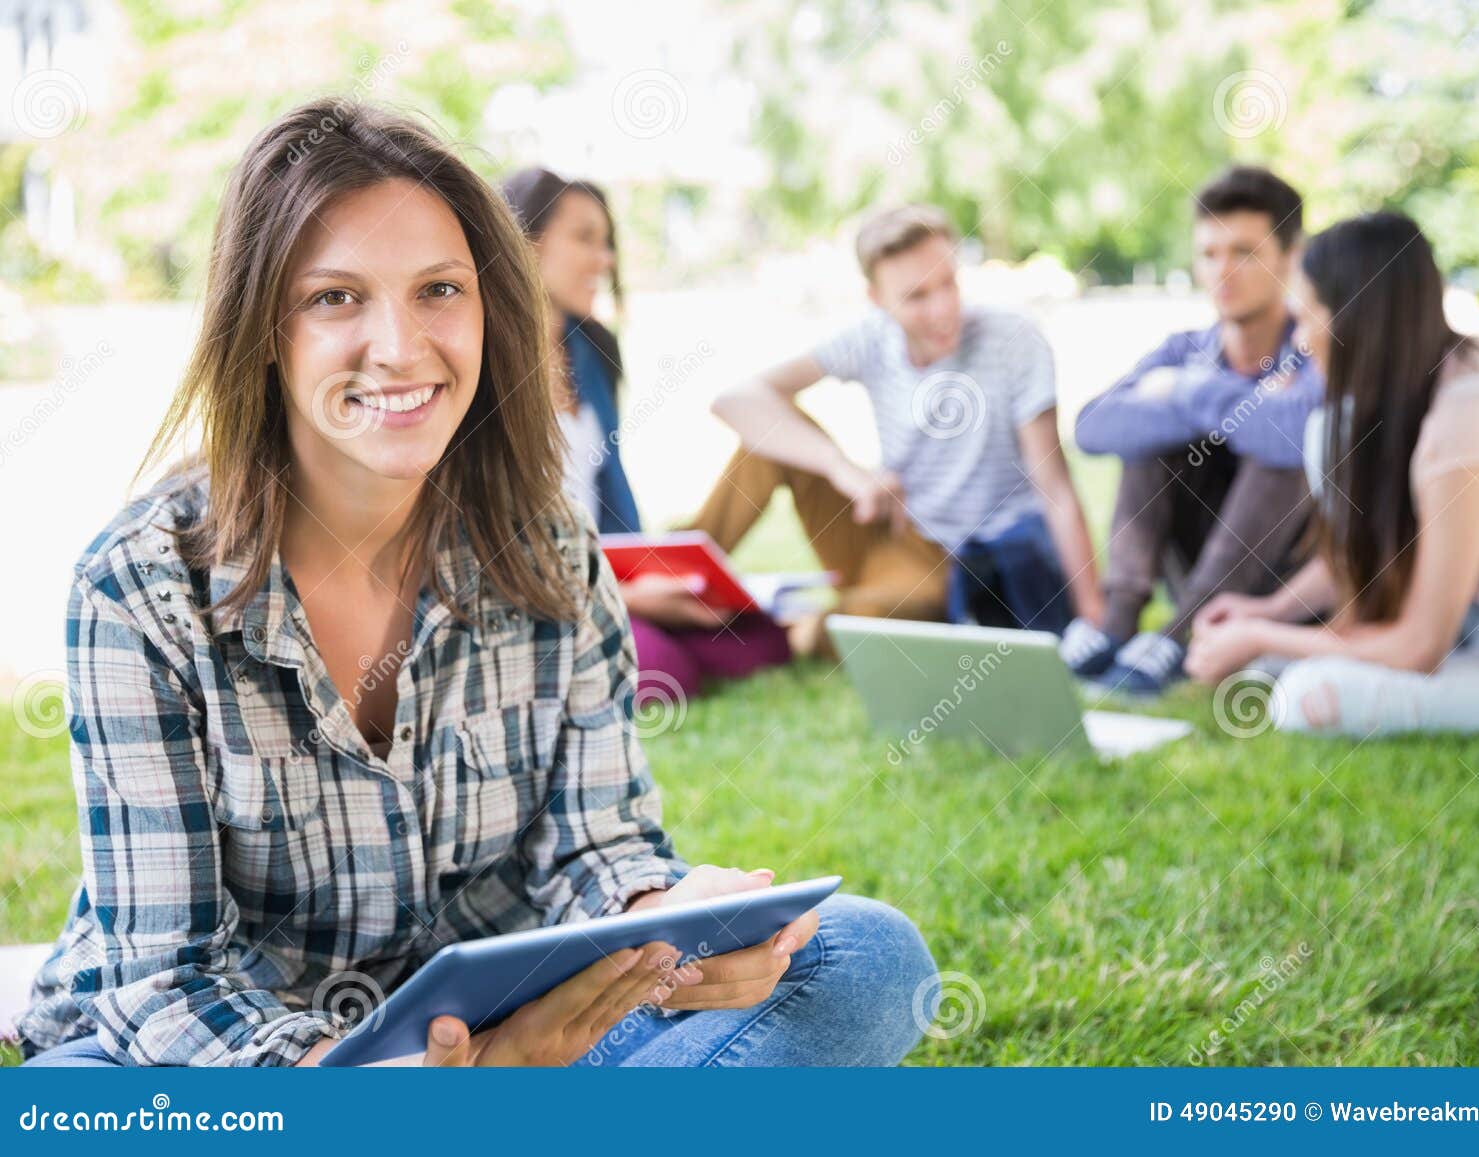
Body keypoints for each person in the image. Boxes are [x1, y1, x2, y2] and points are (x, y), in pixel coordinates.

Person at [17, 101, 937, 1068]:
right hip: (253, 1063)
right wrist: (407, 1083)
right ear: (263, 329)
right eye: (335, 297)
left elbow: (598, 848)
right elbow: (165, 983)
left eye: (439, 290)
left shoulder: (547, 549)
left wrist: (663, 920)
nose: (402, 346)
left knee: (862, 954)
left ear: (491, 308)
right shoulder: (139, 589)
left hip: (517, 1025)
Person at [1185, 210, 1479, 738]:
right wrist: (1272, 610)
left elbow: (1420, 646)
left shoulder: (1469, 421)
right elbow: (1402, 542)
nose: (1303, 342)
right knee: (1327, 431)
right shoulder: (1435, 384)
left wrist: (1262, 637)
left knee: (1308, 698)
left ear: (1356, 321)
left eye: (1309, 316)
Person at [699, 204, 1102, 655]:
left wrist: (1094, 618)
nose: (943, 308)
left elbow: (1057, 489)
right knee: (768, 442)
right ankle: (672, 579)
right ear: (877, 298)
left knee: (880, 617)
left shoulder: (1014, 342)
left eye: (949, 283)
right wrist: (843, 469)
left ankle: (785, 630)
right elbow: (734, 399)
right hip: (879, 521)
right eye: (916, 296)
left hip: (946, 561)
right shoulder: (871, 339)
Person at [503, 168, 789, 701]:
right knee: (664, 672)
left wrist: (643, 576)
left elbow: (610, 492)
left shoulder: (591, 350)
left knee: (760, 641)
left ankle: (639, 627)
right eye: (585, 238)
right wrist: (625, 599)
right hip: (532, 587)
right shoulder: (483, 362)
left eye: (607, 241)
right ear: (525, 240)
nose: (606, 259)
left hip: (608, 566)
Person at [1066, 167, 1322, 694]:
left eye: (1245, 253)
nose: (1223, 272)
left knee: (1279, 450)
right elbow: (1093, 428)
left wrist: (1185, 393)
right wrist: (1222, 399)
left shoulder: (1320, 348)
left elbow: (1294, 435)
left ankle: (1183, 637)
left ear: (1292, 258)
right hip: (1195, 561)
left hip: (1293, 583)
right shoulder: (1184, 351)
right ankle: (1118, 622)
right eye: (1209, 254)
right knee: (1146, 436)